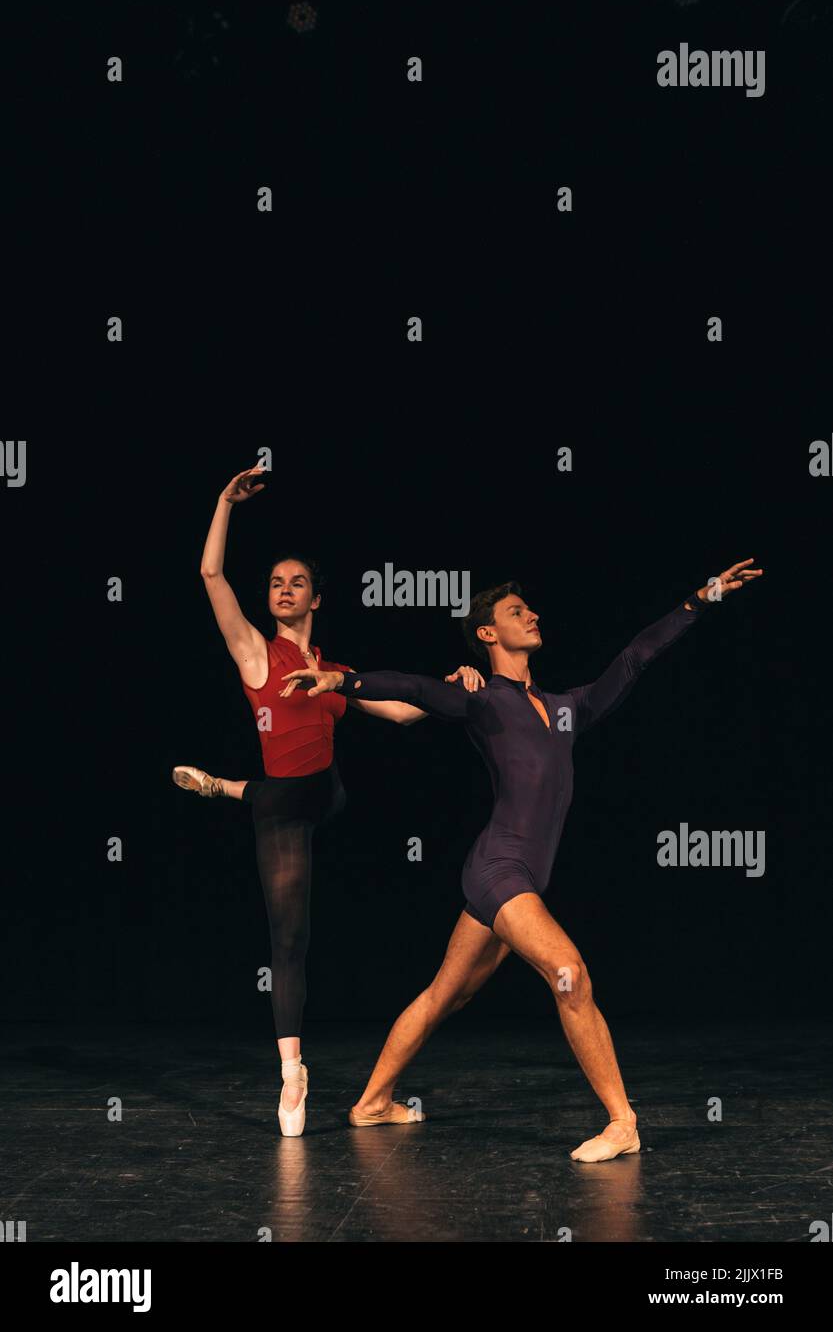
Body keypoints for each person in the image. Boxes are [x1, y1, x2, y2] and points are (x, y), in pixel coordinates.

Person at [282, 558, 763, 1159]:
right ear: (487, 634)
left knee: (443, 996)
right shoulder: (480, 698)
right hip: (498, 870)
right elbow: (412, 687)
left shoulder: (565, 709)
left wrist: (700, 599)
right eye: (516, 612)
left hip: (524, 876)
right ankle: (623, 1122)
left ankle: (371, 1104)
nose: (532, 615)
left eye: (529, 609)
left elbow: (636, 657)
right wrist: (339, 682)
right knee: (570, 973)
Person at [172, 464, 483, 1136]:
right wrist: (224, 503)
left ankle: (228, 787)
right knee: (290, 936)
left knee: (311, 788)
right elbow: (210, 578)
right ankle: (292, 1071)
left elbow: (401, 714)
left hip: (321, 794)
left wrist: (456, 688)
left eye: (296, 583)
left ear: (316, 597)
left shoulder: (332, 672)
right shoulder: (257, 654)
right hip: (287, 806)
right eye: (275, 583)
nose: (283, 590)